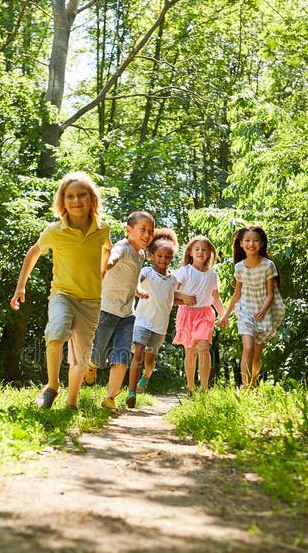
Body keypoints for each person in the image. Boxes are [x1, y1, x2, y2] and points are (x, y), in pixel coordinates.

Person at [10, 171, 111, 409]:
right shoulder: (55, 230)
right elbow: (33, 252)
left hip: (91, 301)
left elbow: (108, 248)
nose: (76, 201)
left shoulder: (102, 229)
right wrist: (20, 286)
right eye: (70, 196)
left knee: (81, 356)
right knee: (55, 333)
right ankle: (52, 386)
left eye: (81, 195)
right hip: (62, 295)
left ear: (91, 199)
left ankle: (72, 403)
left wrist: (102, 271)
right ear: (62, 201)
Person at [83, 210, 155, 412]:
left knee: (122, 356)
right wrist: (108, 263)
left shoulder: (140, 254)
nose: (147, 235)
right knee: (98, 353)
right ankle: (92, 364)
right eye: (143, 230)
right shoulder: (122, 247)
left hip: (127, 314)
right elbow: (113, 257)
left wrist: (138, 290)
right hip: (107, 309)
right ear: (128, 230)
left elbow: (130, 278)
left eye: (151, 231)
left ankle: (110, 398)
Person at [125, 228, 196, 408]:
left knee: (150, 361)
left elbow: (170, 298)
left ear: (171, 258)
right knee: (138, 353)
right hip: (142, 321)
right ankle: (131, 392)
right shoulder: (147, 271)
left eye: (167, 257)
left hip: (159, 326)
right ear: (151, 256)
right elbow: (136, 280)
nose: (163, 260)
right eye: (159, 256)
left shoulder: (172, 279)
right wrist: (138, 289)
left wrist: (185, 299)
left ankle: (146, 376)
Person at [218, 224, 285, 388]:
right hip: (245, 311)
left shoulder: (268, 265)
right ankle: (245, 388)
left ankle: (253, 382)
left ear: (261, 244)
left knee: (256, 356)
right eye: (247, 240)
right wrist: (225, 315)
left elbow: (271, 294)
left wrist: (263, 310)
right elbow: (237, 294)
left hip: (263, 312)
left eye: (255, 240)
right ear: (241, 243)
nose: (251, 244)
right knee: (247, 348)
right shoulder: (239, 267)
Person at [173, 235, 225, 393]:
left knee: (203, 347)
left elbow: (215, 298)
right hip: (186, 314)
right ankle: (190, 387)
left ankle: (204, 388)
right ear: (190, 252)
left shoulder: (212, 275)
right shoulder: (184, 271)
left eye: (204, 249)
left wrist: (223, 316)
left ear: (209, 253)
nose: (200, 252)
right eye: (197, 249)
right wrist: (184, 297)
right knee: (190, 350)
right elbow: (171, 290)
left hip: (205, 313)